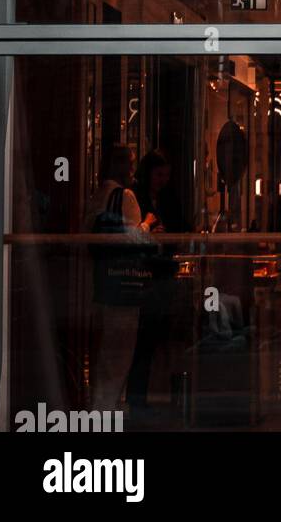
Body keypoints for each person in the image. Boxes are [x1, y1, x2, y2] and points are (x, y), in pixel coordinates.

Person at [87, 144, 156, 412]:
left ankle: (100, 404)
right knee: (119, 352)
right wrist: (148, 223)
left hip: (102, 283)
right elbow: (133, 239)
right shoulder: (125, 196)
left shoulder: (98, 195)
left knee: (104, 351)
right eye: (129, 163)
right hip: (124, 284)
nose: (132, 169)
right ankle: (107, 407)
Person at [127, 150, 186, 415]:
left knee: (163, 339)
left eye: (167, 175)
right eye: (159, 174)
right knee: (145, 339)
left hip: (163, 269)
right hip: (145, 273)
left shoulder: (167, 198)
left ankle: (165, 394)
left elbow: (182, 227)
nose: (163, 180)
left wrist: (168, 233)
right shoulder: (135, 197)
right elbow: (131, 237)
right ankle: (138, 396)